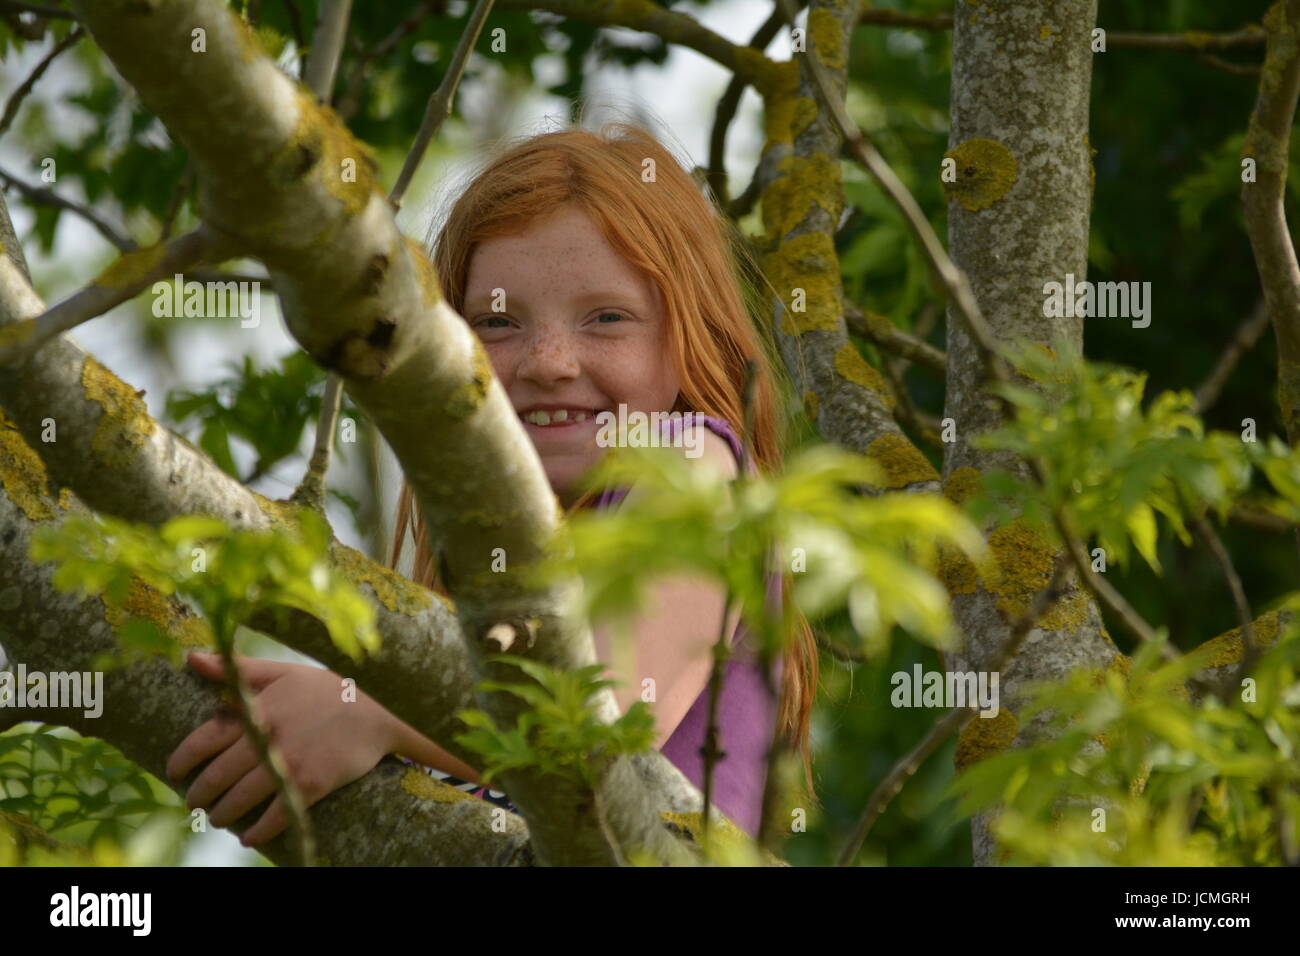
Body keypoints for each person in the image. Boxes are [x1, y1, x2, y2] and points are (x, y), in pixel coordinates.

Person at [166, 117, 819, 848]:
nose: (547, 361)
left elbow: (611, 727)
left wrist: (375, 713)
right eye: (498, 324)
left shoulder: (694, 466)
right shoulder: (497, 555)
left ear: (688, 336)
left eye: (606, 318)